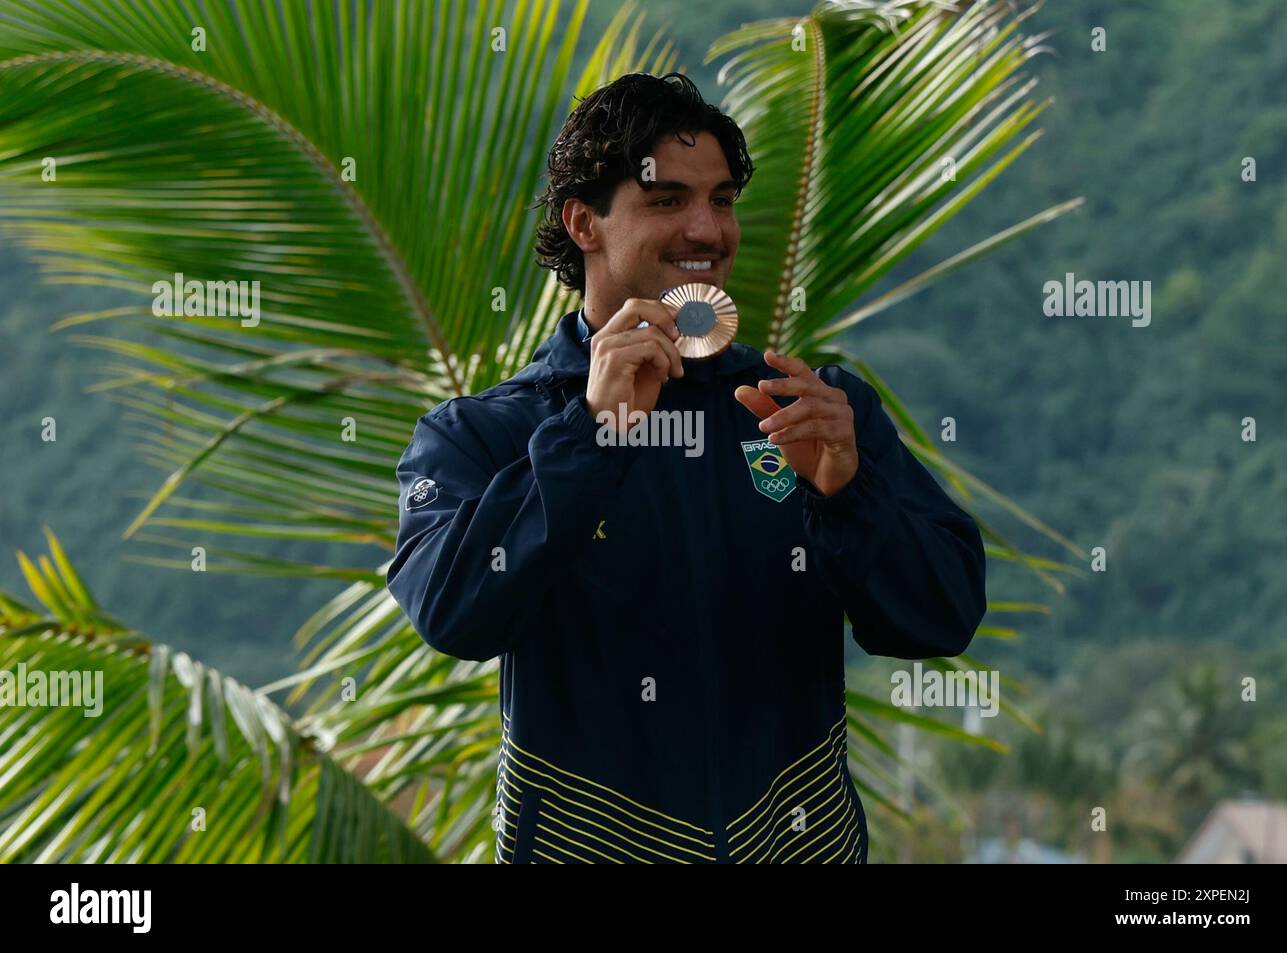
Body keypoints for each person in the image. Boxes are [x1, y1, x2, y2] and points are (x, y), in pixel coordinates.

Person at [386, 72, 986, 864]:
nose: (707, 228)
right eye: (667, 200)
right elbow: (455, 614)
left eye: (723, 200)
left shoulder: (811, 410)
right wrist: (592, 434)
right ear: (583, 223)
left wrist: (844, 493)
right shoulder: (481, 433)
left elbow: (943, 616)